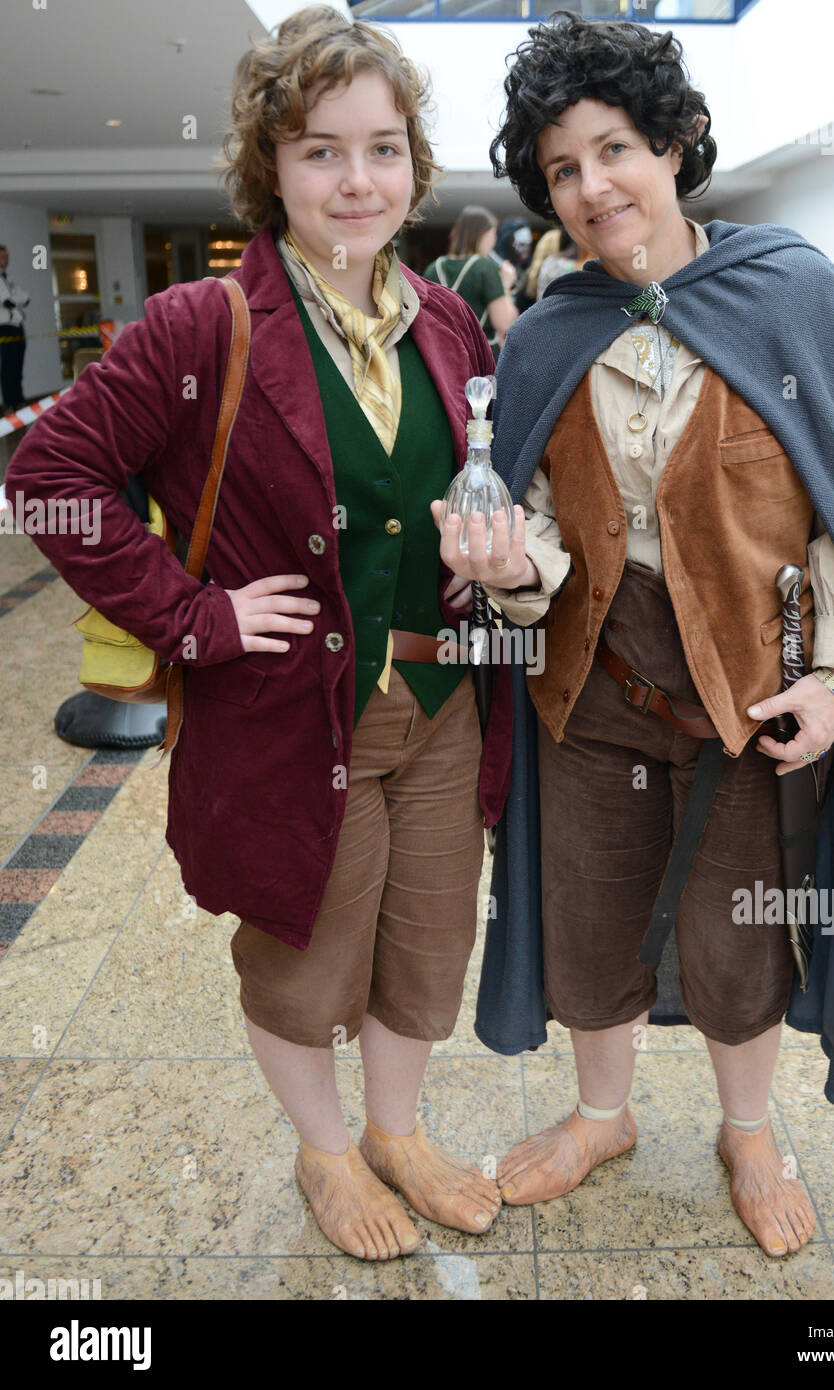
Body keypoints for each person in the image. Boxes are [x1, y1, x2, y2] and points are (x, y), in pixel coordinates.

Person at [6, 5, 515, 1263]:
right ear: (270, 169)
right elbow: (54, 477)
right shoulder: (200, 328)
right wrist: (191, 614)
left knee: (430, 940)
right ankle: (326, 1150)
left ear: (415, 164)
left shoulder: (446, 322)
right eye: (322, 151)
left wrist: (484, 558)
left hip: (445, 704)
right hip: (290, 714)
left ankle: (394, 1130)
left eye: (384, 149)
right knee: (305, 952)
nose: (358, 180)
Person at [434, 12, 834, 1259]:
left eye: (612, 150)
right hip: (590, 699)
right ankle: (603, 1114)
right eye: (558, 169)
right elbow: (539, 533)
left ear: (675, 143)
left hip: (750, 700)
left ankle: (747, 1129)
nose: (590, 187)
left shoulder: (793, 294)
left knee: (741, 931)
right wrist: (508, 570)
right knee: (591, 919)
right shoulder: (546, 333)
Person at [422, 205, 518, 353]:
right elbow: (504, 323)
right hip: (479, 354)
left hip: (442, 352)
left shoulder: (433, 268)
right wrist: (506, 284)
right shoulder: (484, 266)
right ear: (481, 235)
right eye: (492, 235)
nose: (493, 242)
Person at [0, 243, 30, 411]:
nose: (6, 259)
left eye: (7, 256)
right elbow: (8, 302)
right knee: (8, 367)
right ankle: (9, 402)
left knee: (18, 365)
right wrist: (17, 298)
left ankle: (19, 399)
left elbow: (26, 298)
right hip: (5, 327)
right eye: (2, 256)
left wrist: (17, 298)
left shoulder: (9, 279)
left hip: (18, 325)